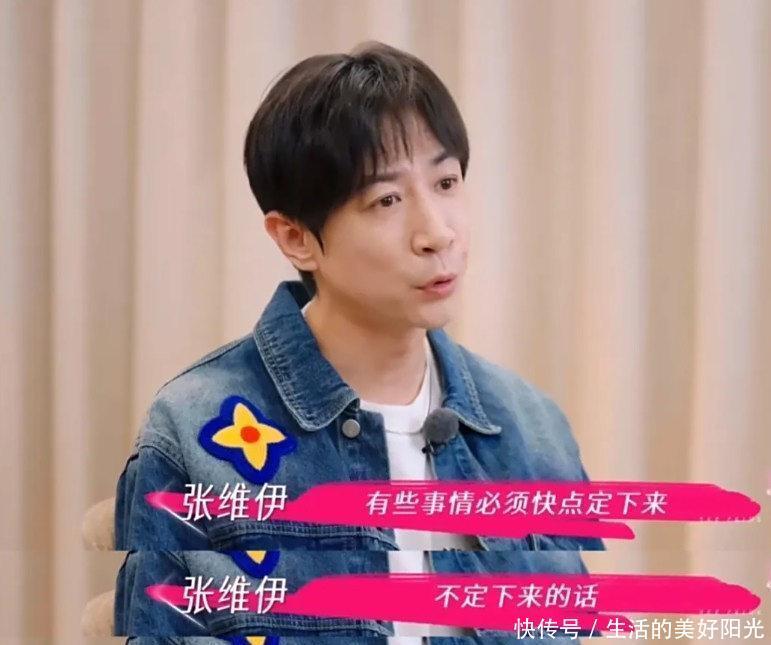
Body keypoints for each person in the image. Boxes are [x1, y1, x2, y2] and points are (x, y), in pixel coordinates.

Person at [114, 41, 603, 643]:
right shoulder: (196, 428)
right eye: (386, 200)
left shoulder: (532, 428)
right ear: (296, 238)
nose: (437, 232)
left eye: (446, 181)